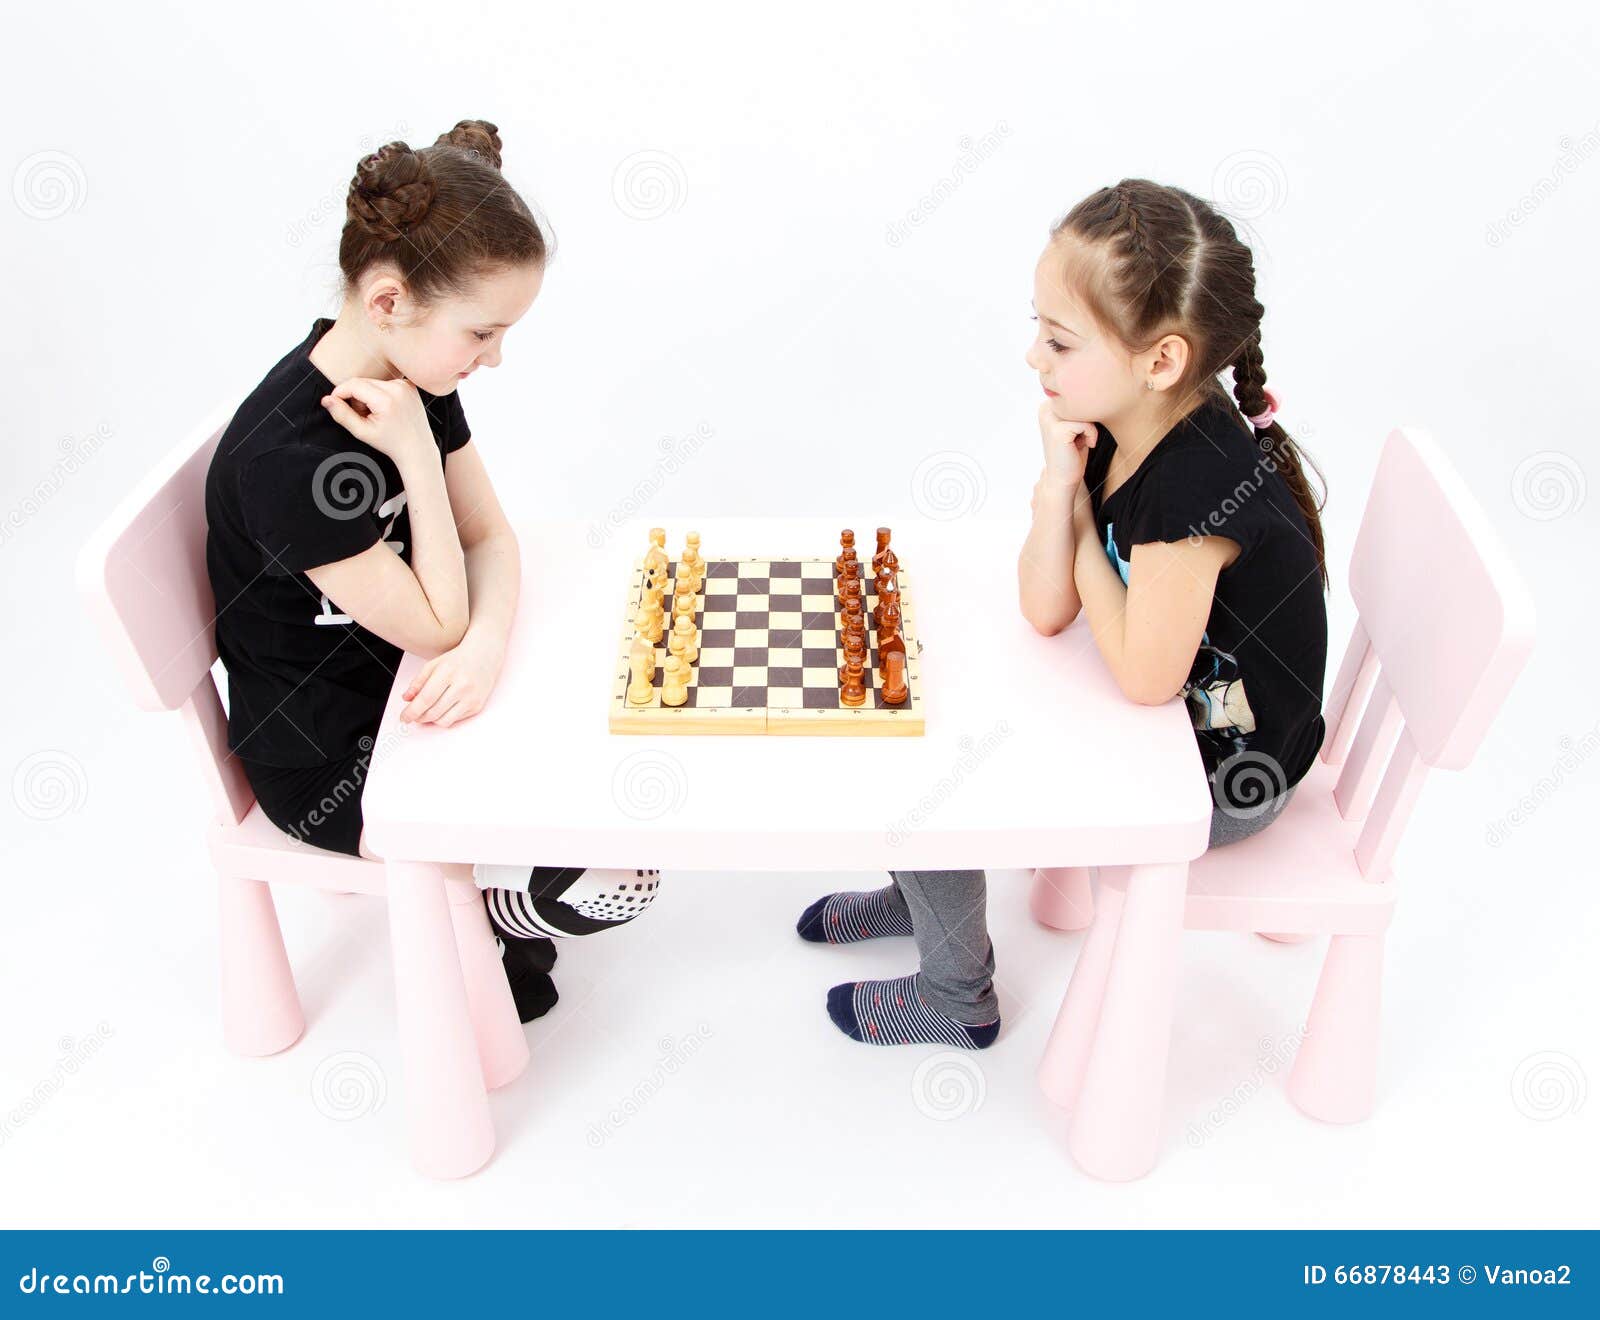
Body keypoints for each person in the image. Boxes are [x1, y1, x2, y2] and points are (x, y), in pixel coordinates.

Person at [800, 178, 1328, 1050]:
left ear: (1160, 360)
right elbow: (1045, 610)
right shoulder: (1120, 418)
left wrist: (1081, 533)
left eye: (1057, 339)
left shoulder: (1195, 485)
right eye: (1037, 329)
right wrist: (1060, 489)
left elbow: (1146, 680)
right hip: (1176, 732)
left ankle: (954, 994)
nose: (1033, 358)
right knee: (928, 691)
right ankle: (928, 896)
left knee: (928, 767)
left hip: (1223, 781)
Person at [205, 120, 660, 1025]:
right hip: (336, 763)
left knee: (623, 729)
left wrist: (487, 646)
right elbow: (437, 622)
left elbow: (490, 538)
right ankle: (482, 920)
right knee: (625, 876)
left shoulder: (413, 376)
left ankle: (485, 919)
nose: (493, 358)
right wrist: (415, 458)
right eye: (482, 332)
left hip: (420, 694)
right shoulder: (289, 459)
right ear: (387, 302)